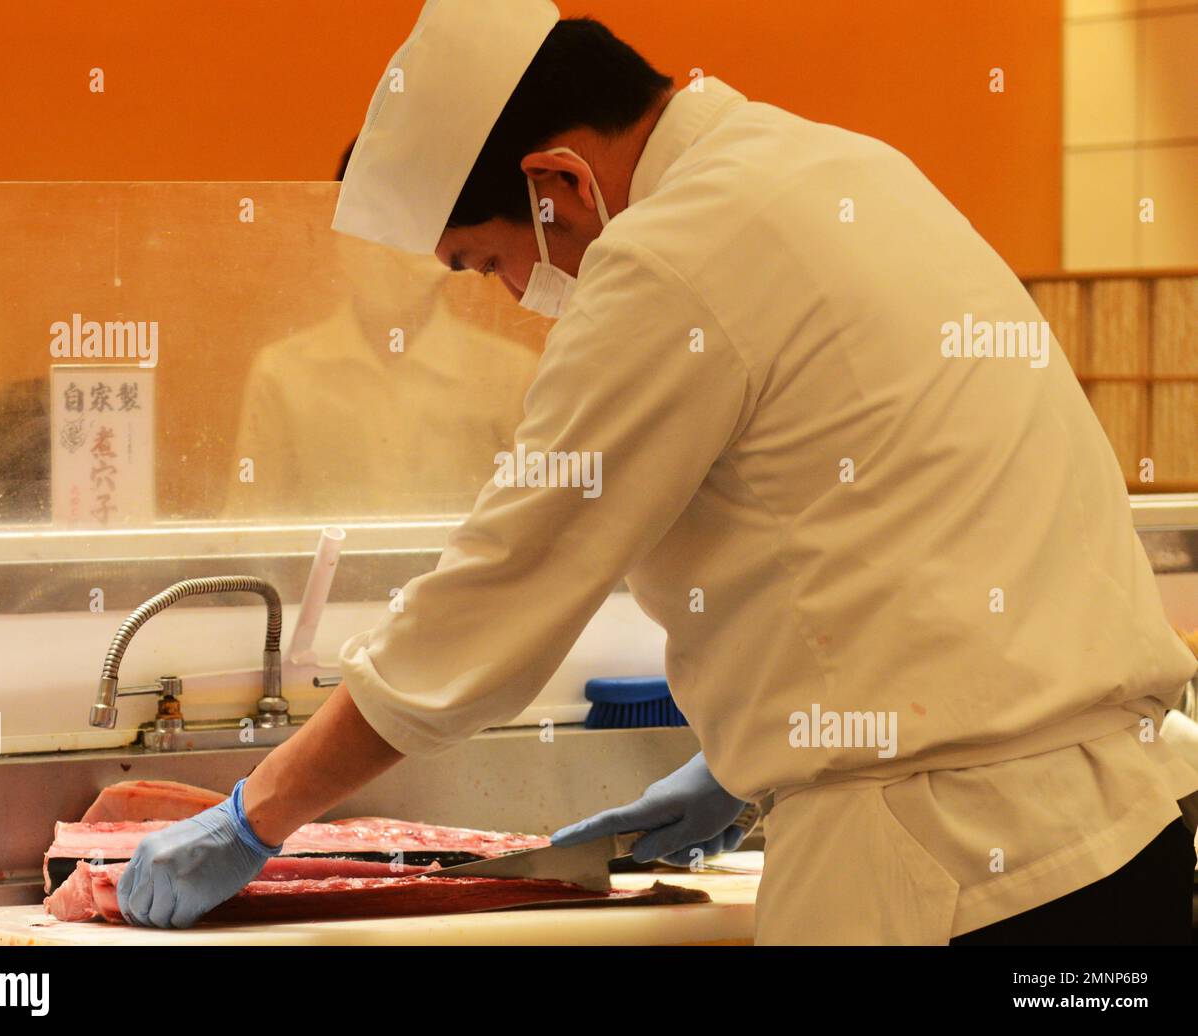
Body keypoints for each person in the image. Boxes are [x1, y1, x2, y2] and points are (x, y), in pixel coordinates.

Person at [116, 0, 1198, 943]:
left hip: (951, 866)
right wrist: (751, 752)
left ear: (556, 184)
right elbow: (905, 517)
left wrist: (255, 815)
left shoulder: (666, 256)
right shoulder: (844, 168)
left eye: (484, 261)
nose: (509, 291)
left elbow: (495, 600)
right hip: (1127, 833)